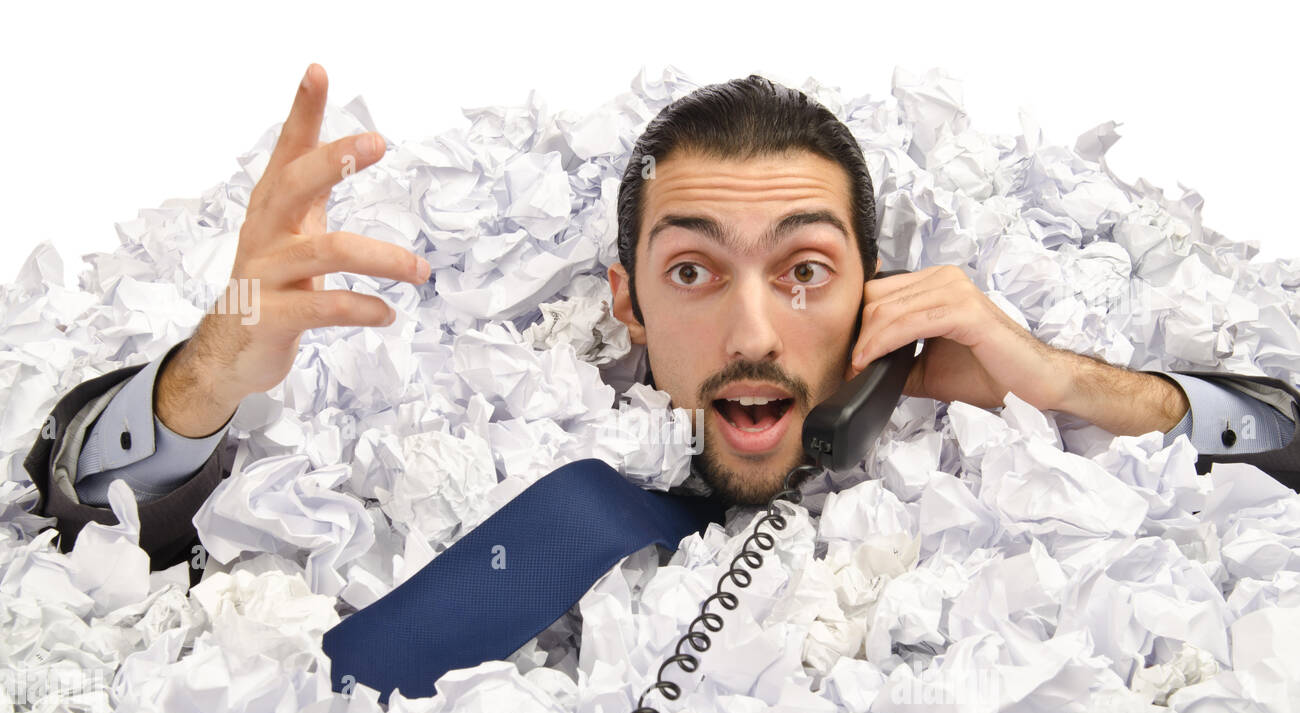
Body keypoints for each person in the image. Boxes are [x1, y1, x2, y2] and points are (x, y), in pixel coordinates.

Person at [23, 64, 1300, 583]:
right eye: (694, 273)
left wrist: (1074, 390)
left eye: (805, 270)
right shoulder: (446, 406)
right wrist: (216, 360)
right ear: (625, 301)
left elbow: (1283, 445)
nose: (753, 326)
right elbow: (73, 510)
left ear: (876, 293)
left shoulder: (982, 423)